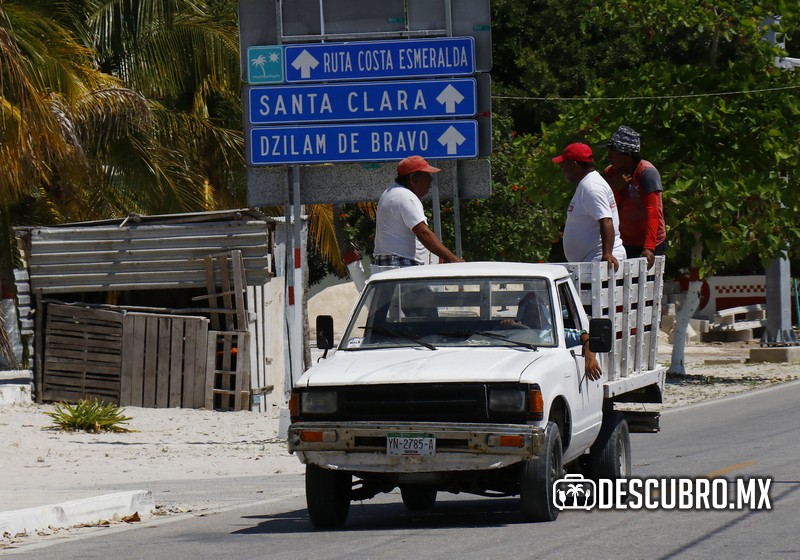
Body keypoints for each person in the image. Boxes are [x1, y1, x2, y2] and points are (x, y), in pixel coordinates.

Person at [372, 155, 464, 273]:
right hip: (402, 264)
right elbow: (424, 234)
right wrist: (453, 259)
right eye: (426, 176)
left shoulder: (390, 193)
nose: (430, 180)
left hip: (387, 263)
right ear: (412, 178)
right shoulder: (407, 197)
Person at [552, 142, 625, 272]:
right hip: (592, 260)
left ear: (574, 165)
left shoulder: (591, 187)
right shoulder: (588, 184)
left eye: (564, 164)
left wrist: (607, 254)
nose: (562, 168)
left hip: (599, 260)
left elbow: (606, 220)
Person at [603, 125, 666, 268]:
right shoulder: (610, 173)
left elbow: (653, 212)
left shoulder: (647, 173)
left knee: (647, 286)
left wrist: (649, 247)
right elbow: (607, 210)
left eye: (614, 152)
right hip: (625, 241)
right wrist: (616, 190)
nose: (609, 156)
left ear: (628, 154)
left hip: (650, 242)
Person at [502, 291, 601, 380]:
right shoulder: (515, 332)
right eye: (529, 314)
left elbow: (584, 336)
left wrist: (590, 357)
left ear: (544, 313)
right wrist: (508, 328)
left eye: (537, 314)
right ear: (522, 315)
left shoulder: (555, 333)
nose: (534, 318)